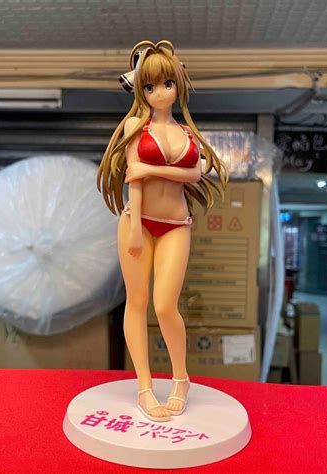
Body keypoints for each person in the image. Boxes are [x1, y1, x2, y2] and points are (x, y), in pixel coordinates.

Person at [97, 39, 229, 422]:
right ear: (140, 89)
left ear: (179, 84)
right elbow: (133, 181)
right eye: (150, 86)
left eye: (167, 84)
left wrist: (153, 168)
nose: (159, 93)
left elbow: (193, 174)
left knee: (165, 305)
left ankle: (180, 379)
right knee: (136, 303)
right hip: (136, 222)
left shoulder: (187, 134)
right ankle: (144, 386)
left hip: (176, 225)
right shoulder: (135, 126)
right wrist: (134, 227)